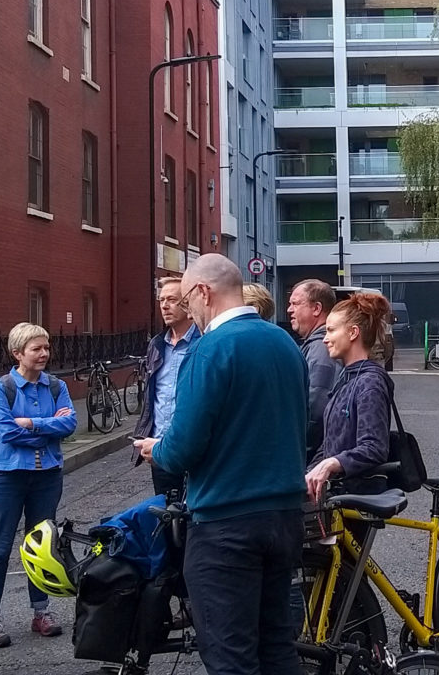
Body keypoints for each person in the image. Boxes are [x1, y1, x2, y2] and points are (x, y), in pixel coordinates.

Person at [135, 254, 307, 675]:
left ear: (204, 292)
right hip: (285, 517)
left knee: (231, 658)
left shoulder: (209, 349)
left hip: (226, 523)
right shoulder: (285, 343)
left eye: (188, 299)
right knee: (278, 649)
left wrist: (156, 449)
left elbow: (183, 448)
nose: (187, 310)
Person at [0, 322, 77, 648]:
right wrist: (50, 426)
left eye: (46, 348)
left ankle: (41, 612)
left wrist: (32, 422)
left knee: (42, 546)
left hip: (47, 475)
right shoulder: (0, 389)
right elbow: (6, 432)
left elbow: (71, 423)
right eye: (37, 349)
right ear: (18, 353)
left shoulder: (56, 387)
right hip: (7, 476)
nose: (44, 354)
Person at [305, 293, 394, 502]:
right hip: (339, 493)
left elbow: (374, 447)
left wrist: (332, 463)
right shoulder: (348, 377)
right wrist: (308, 471)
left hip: (356, 497)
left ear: (353, 332)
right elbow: (331, 443)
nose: (325, 338)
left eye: (331, 330)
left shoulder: (369, 382)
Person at [132, 278, 196, 497]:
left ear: (188, 305)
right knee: (167, 516)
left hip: (192, 445)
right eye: (161, 300)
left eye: (172, 300)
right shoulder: (157, 344)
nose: (164, 306)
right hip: (160, 445)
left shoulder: (205, 341)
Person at [286, 279, 342, 459]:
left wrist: (299, 450)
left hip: (314, 457)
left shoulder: (321, 348)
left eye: (295, 303)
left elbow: (316, 407)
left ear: (316, 308)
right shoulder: (317, 344)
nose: (289, 310)